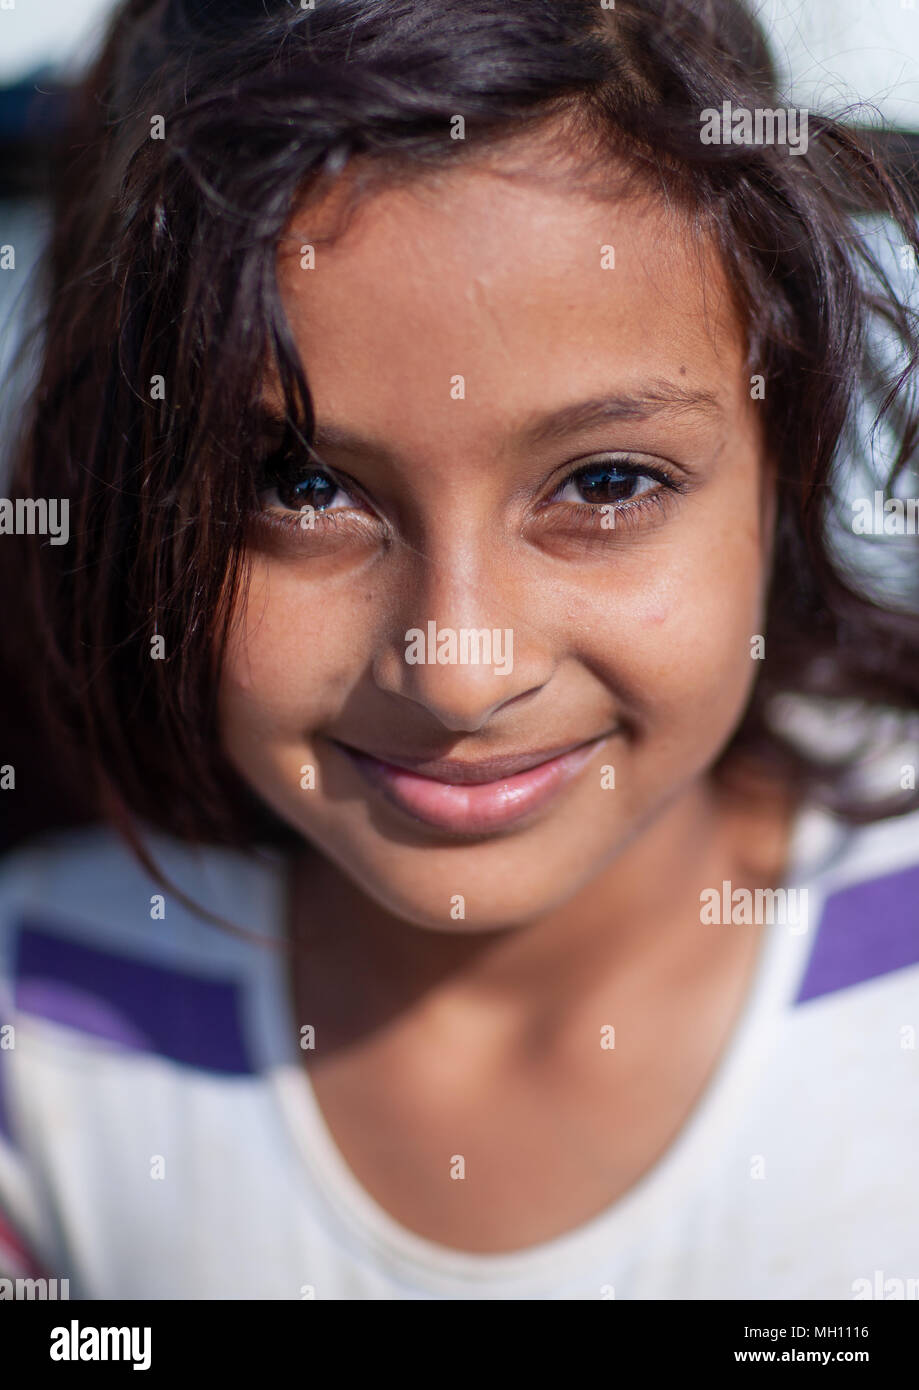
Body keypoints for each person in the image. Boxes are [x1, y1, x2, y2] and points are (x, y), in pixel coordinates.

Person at [0, 0, 917, 1300]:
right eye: (304, 487)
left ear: (789, 456)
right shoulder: (50, 1041)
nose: (459, 668)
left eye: (606, 480)